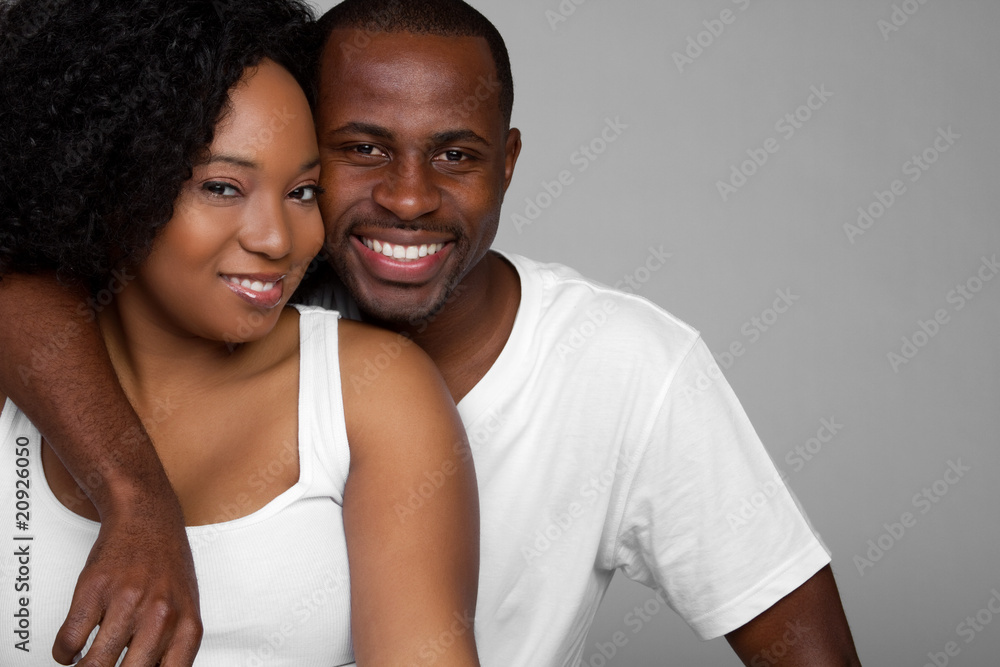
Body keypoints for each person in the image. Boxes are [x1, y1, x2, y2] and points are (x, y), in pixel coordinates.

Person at [0, 1, 863, 667]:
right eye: (361, 150)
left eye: (454, 154)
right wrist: (137, 498)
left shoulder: (621, 364)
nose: (409, 198)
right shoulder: (225, 294)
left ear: (509, 162)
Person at [0, 1, 480, 666]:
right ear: (113, 184)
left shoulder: (373, 395)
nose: (278, 240)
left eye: (304, 192)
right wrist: (136, 499)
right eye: (224, 187)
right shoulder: (18, 379)